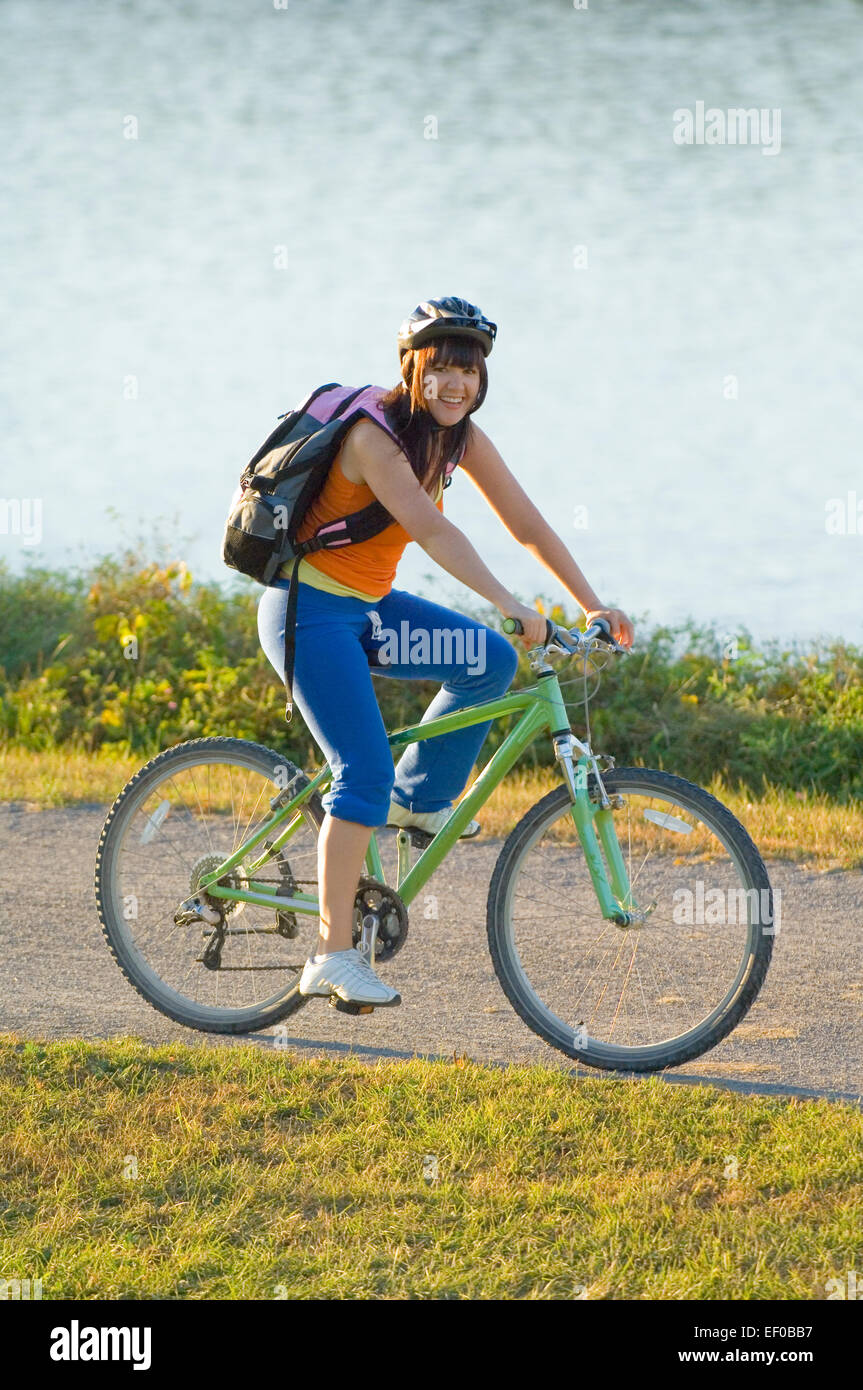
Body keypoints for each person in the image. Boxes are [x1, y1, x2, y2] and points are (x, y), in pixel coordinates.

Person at [257, 296, 634, 1010]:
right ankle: (332, 955)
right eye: (440, 369)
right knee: (359, 773)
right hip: (309, 615)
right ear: (412, 370)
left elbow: (525, 523)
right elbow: (431, 531)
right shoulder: (374, 436)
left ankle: (414, 801)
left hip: (366, 613)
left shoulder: (460, 439)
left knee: (487, 662)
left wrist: (589, 601)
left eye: (469, 369)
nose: (455, 384)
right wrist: (512, 603)